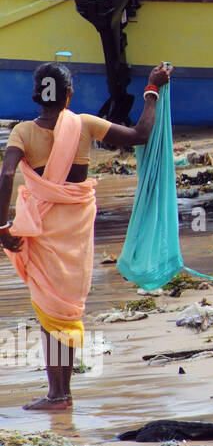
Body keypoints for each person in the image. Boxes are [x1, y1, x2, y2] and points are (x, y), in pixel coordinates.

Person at [0, 62, 171, 410]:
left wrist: (2, 228)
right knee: (64, 308)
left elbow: (5, 175)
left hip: (41, 231)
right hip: (75, 234)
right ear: (69, 94)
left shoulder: (22, 132)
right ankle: (62, 393)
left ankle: (57, 394)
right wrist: (151, 91)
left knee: (49, 310)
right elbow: (140, 134)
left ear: (37, 94)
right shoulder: (84, 125)